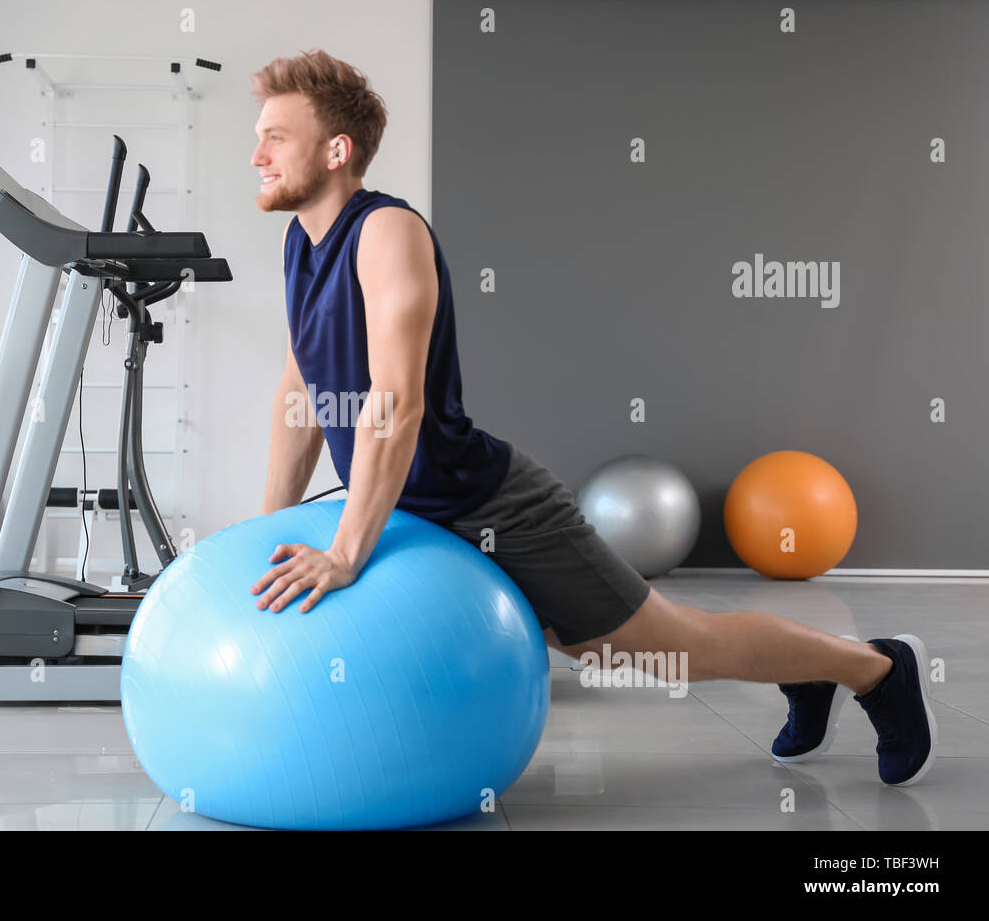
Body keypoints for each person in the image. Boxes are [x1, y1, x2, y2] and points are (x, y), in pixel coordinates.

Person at [246, 49, 936, 787]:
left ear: (336, 150)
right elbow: (302, 387)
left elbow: (394, 402)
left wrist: (349, 550)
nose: (257, 155)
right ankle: (806, 670)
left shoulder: (385, 232)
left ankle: (874, 669)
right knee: (577, 645)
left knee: (673, 648)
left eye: (275, 137)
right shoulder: (300, 245)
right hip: (407, 509)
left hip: (486, 505)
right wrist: (264, 527)